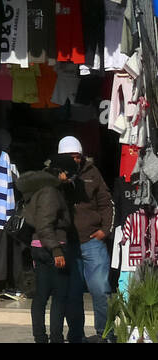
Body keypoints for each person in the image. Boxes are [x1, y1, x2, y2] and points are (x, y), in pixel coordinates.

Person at [55, 136, 114, 342]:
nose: (75, 160)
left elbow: (106, 203)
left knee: (100, 289)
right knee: (73, 293)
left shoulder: (92, 172)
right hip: (68, 243)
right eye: (70, 156)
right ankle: (76, 336)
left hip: (92, 240)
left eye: (77, 156)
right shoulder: (53, 174)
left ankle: (105, 334)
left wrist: (105, 230)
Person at [17, 156, 76, 344]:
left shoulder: (38, 189)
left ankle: (40, 338)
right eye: (69, 173)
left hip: (38, 247)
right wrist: (56, 250)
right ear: (60, 172)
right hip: (53, 247)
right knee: (58, 297)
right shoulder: (50, 191)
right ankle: (55, 339)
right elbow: (44, 224)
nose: (70, 178)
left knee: (41, 295)